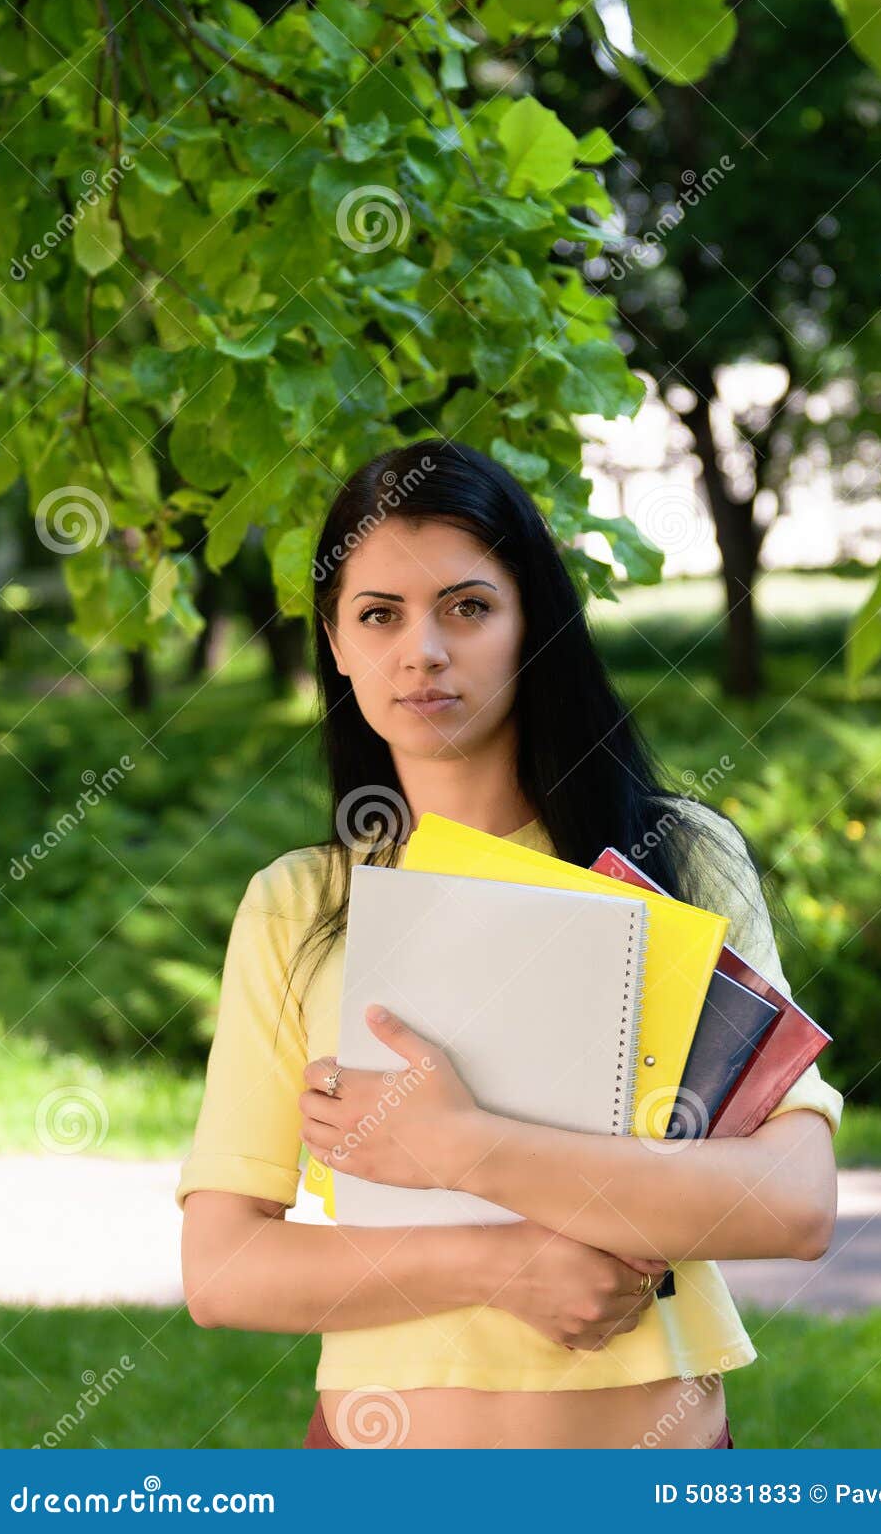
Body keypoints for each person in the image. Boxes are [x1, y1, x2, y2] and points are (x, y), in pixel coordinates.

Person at [177, 438, 842, 1450]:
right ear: (336, 642)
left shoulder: (677, 857)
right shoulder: (301, 905)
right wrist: (501, 1262)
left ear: (532, 620)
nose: (423, 651)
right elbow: (221, 1268)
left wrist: (461, 1144)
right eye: (379, 615)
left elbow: (793, 1203)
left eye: (468, 606)